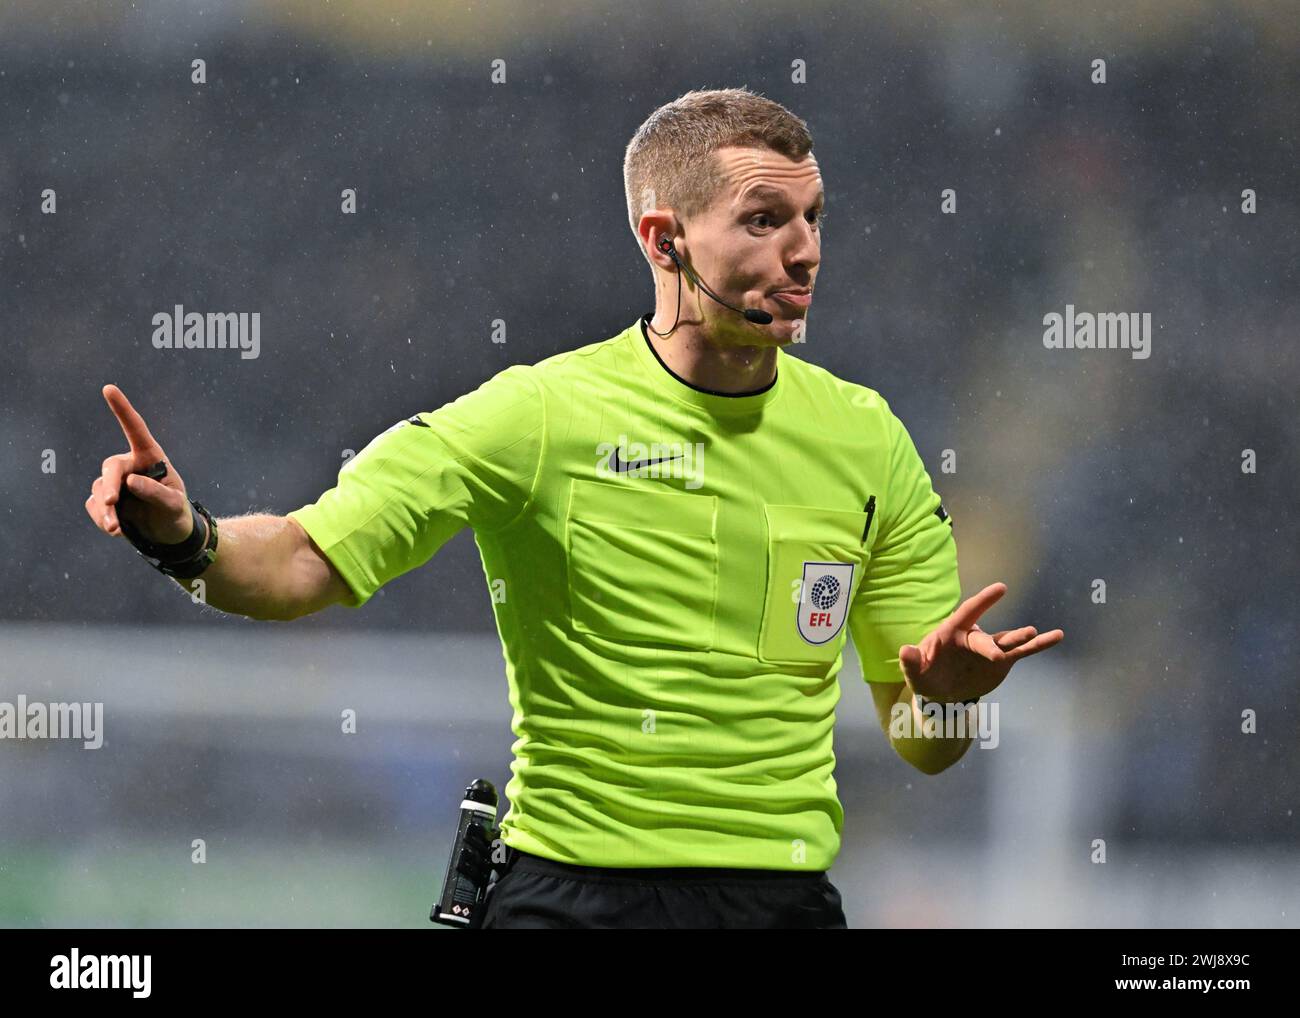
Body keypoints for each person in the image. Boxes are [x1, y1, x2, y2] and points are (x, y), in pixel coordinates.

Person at [85, 87, 1063, 929]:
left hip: (783, 901)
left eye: (812, 217)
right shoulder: (536, 415)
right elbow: (301, 560)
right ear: (664, 238)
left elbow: (925, 746)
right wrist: (189, 537)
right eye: (763, 220)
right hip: (575, 899)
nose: (803, 250)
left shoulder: (868, 437)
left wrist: (946, 698)